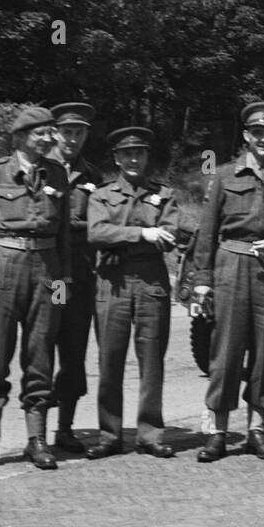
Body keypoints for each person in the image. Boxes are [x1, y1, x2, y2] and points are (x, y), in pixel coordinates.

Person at [190, 102, 264, 462]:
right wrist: (202, 280)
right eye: (257, 132)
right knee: (225, 352)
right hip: (230, 266)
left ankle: (257, 429)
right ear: (246, 136)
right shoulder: (225, 177)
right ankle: (218, 430)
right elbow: (207, 232)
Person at [0, 106, 70, 472]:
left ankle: (37, 440)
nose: (49, 139)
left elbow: (63, 236)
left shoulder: (57, 173)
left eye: (50, 133)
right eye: (42, 133)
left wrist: (64, 280)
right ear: (22, 136)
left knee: (40, 354)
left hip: (47, 268)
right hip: (4, 265)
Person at [84, 127, 180, 459]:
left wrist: (130, 235)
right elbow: (96, 233)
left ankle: (150, 434)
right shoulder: (101, 194)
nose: (134, 159)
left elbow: (170, 233)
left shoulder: (163, 193)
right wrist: (142, 233)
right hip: (113, 281)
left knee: (152, 360)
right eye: (127, 154)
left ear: (147, 157)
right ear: (117, 159)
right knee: (110, 359)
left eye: (140, 153)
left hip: (151, 280)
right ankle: (109, 434)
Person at [47, 101, 102, 454]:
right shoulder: (41, 169)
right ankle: (34, 429)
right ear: (55, 133)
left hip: (79, 277)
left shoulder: (92, 176)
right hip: (49, 278)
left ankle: (64, 428)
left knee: (73, 350)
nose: (72, 138)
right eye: (66, 131)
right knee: (41, 348)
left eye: (78, 132)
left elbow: (99, 224)